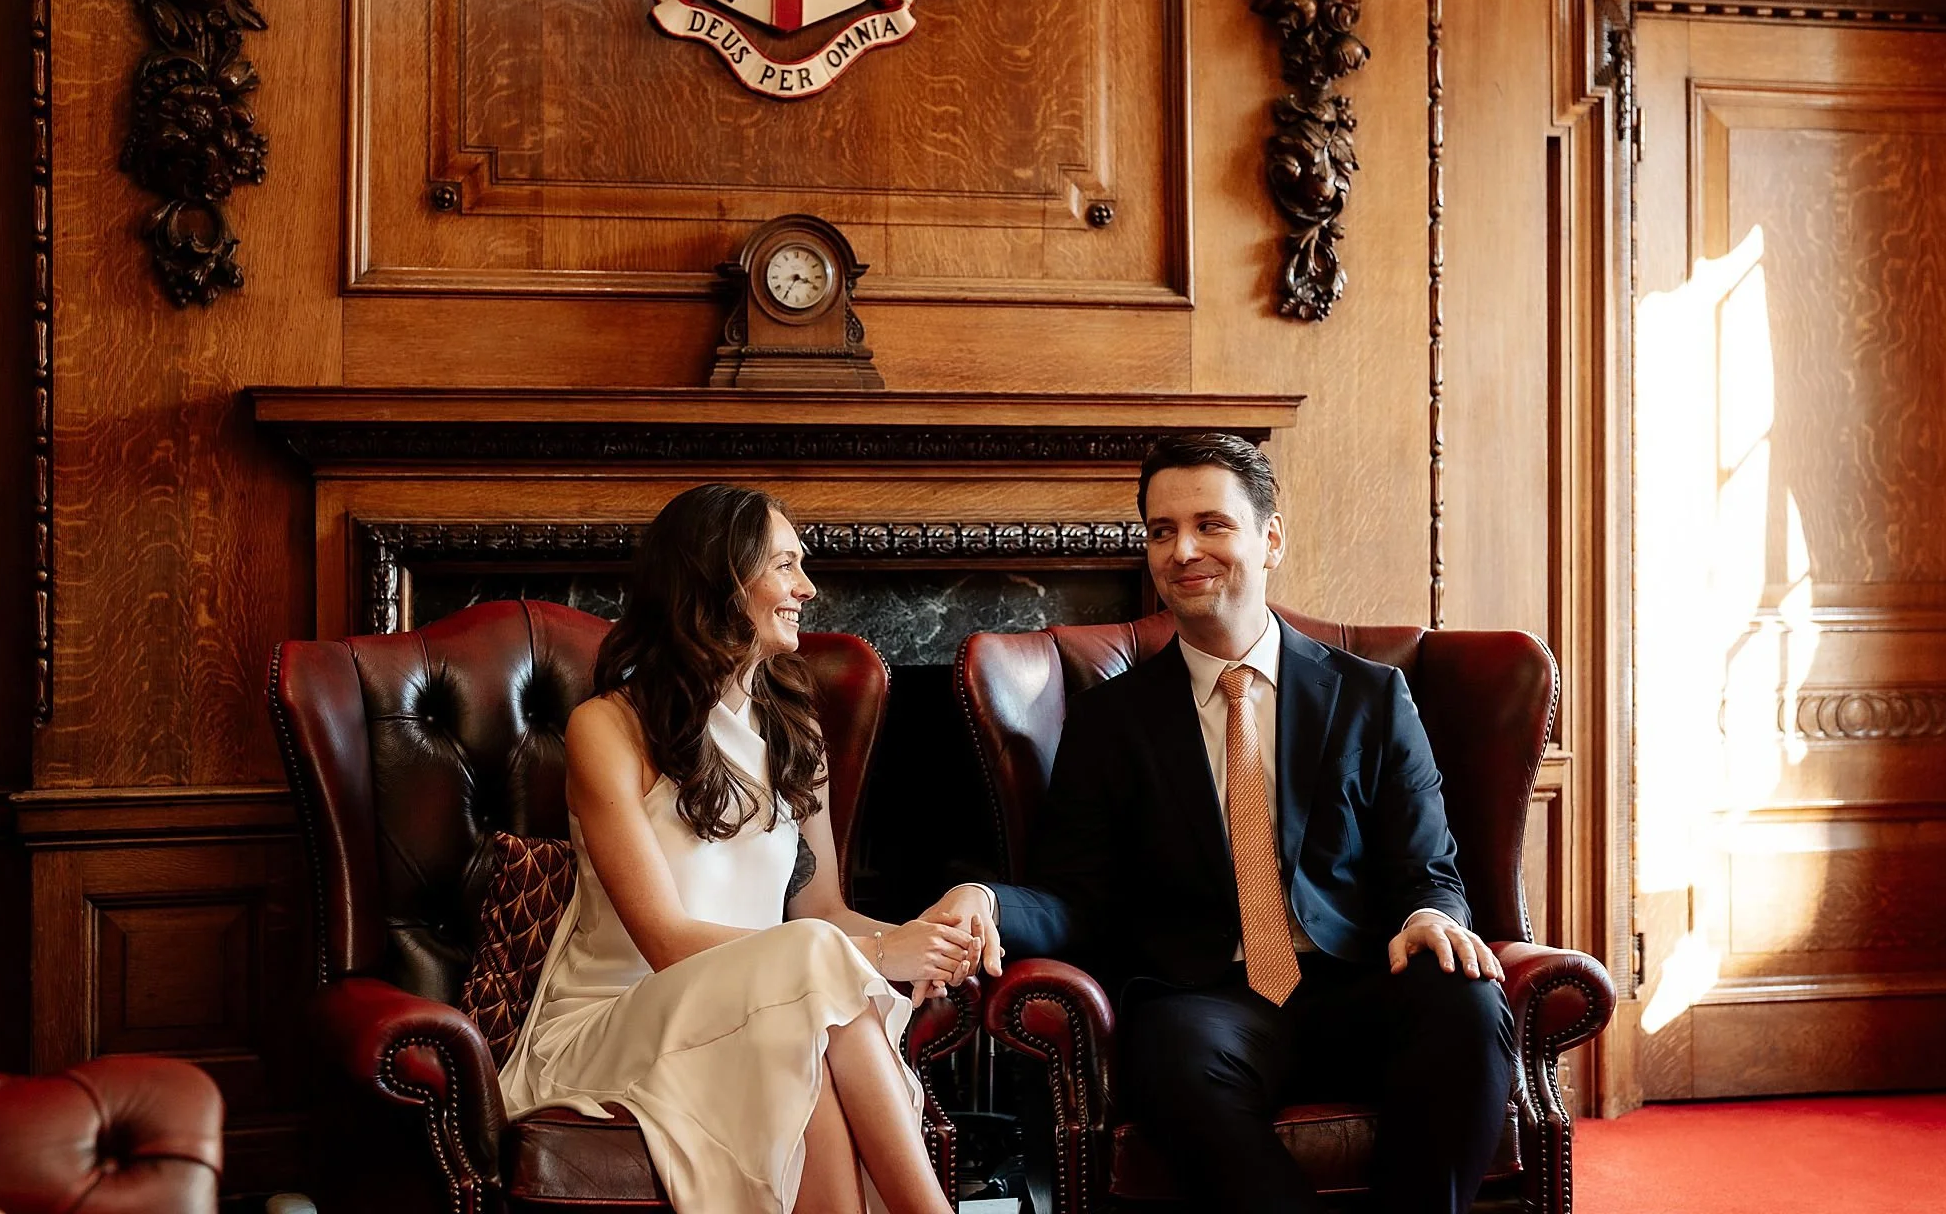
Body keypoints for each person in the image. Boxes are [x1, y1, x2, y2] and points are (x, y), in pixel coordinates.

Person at [924, 433, 1516, 1214]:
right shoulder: (1110, 720)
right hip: (1205, 995)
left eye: (1211, 524)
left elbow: (1427, 868)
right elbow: (1074, 895)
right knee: (1171, 1059)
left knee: (1467, 1003)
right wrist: (988, 899)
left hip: (1359, 979)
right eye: (1162, 531)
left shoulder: (1371, 698)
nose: (1183, 549)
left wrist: (1427, 915)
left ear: (1270, 538)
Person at [499, 483, 983, 1214]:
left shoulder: (796, 731)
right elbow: (663, 941)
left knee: (800, 1037)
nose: (807, 587)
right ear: (718, 580)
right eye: (785, 566)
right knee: (804, 991)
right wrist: (877, 958)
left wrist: (927, 937)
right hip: (615, 1021)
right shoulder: (607, 728)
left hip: (768, 1010)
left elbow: (822, 912)